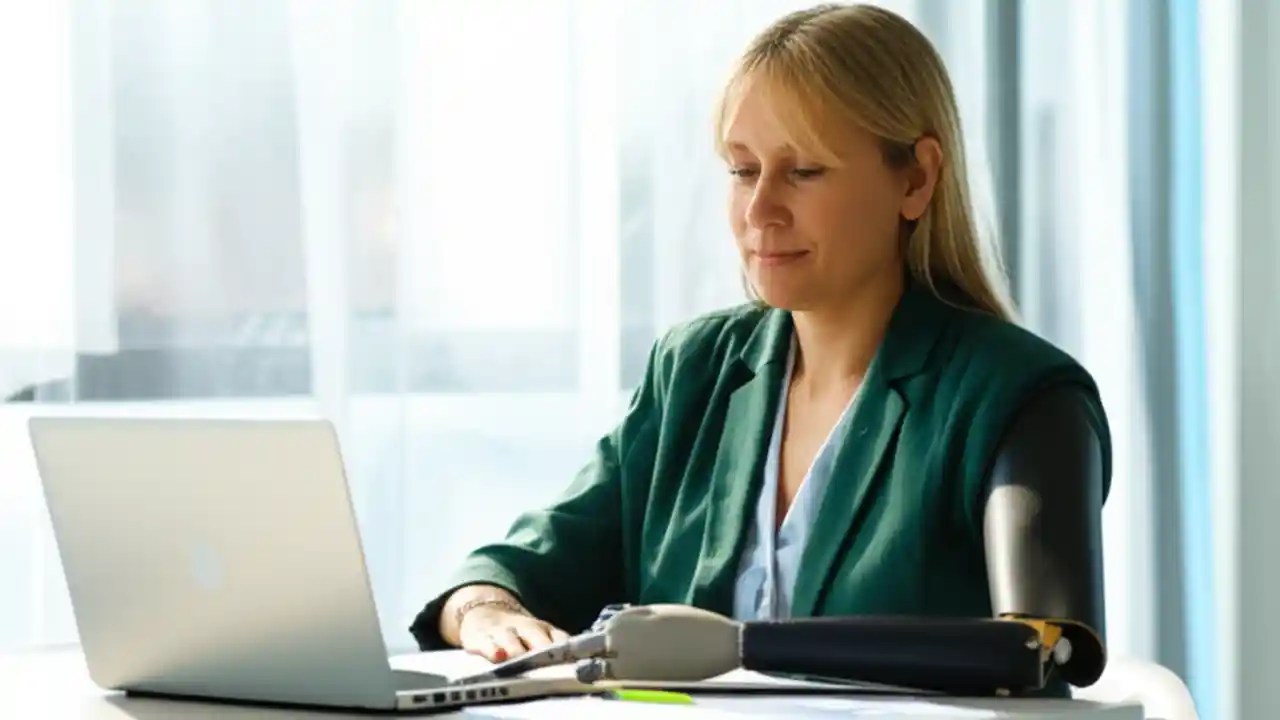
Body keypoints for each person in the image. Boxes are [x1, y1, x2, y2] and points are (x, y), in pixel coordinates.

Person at [410, 2, 1110, 694]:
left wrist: (733, 647)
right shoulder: (692, 371)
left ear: (916, 179)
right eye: (743, 171)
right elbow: (530, 561)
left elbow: (1037, 647)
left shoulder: (1023, 397)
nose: (759, 210)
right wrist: (483, 606)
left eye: (803, 171)